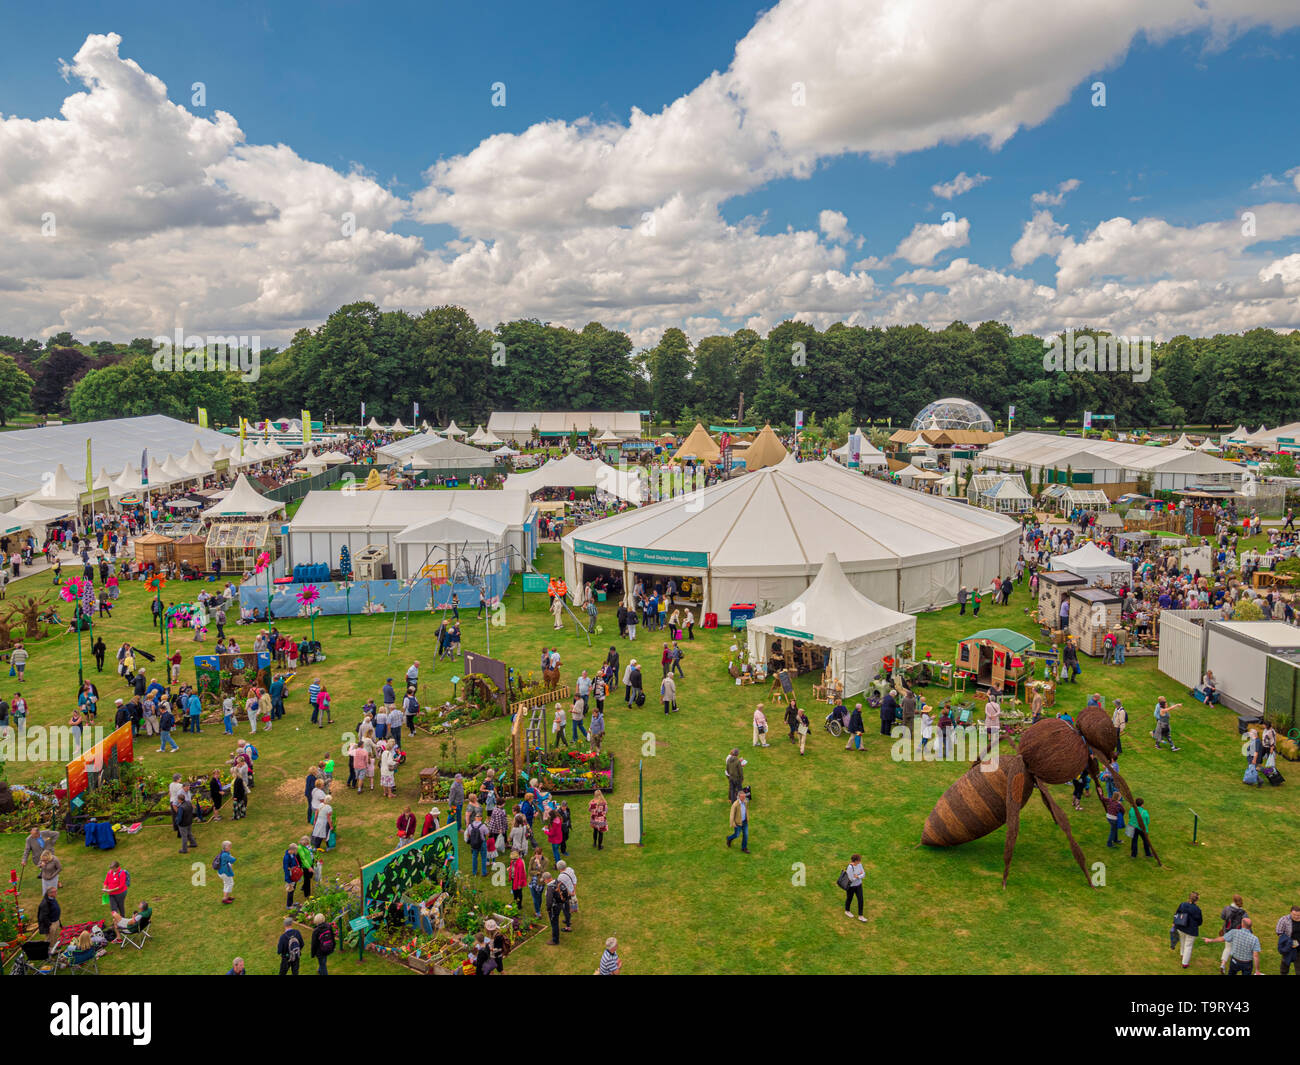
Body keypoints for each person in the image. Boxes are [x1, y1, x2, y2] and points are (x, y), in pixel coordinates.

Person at [1173, 890, 1203, 968]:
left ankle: (1182, 954)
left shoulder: (1182, 905)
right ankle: (1185, 963)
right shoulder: (1197, 909)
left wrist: (1174, 923)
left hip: (1181, 927)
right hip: (1191, 930)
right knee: (1188, 946)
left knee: (1183, 942)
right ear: (1196, 900)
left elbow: (1176, 914)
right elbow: (1200, 921)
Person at [842, 853, 867, 922]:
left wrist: (858, 876)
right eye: (859, 860)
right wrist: (859, 875)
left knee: (861, 899)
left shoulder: (860, 865)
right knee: (849, 898)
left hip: (859, 885)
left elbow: (864, 874)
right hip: (851, 886)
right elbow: (851, 879)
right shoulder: (850, 867)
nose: (860, 861)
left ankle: (860, 916)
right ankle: (847, 911)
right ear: (855, 861)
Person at [1277, 904, 1300, 976]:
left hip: (1299, 949)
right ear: (1290, 912)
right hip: (1288, 948)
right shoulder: (1284, 920)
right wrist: (1289, 942)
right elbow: (1279, 932)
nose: (1296, 917)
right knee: (1284, 969)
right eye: (1294, 915)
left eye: (1298, 915)